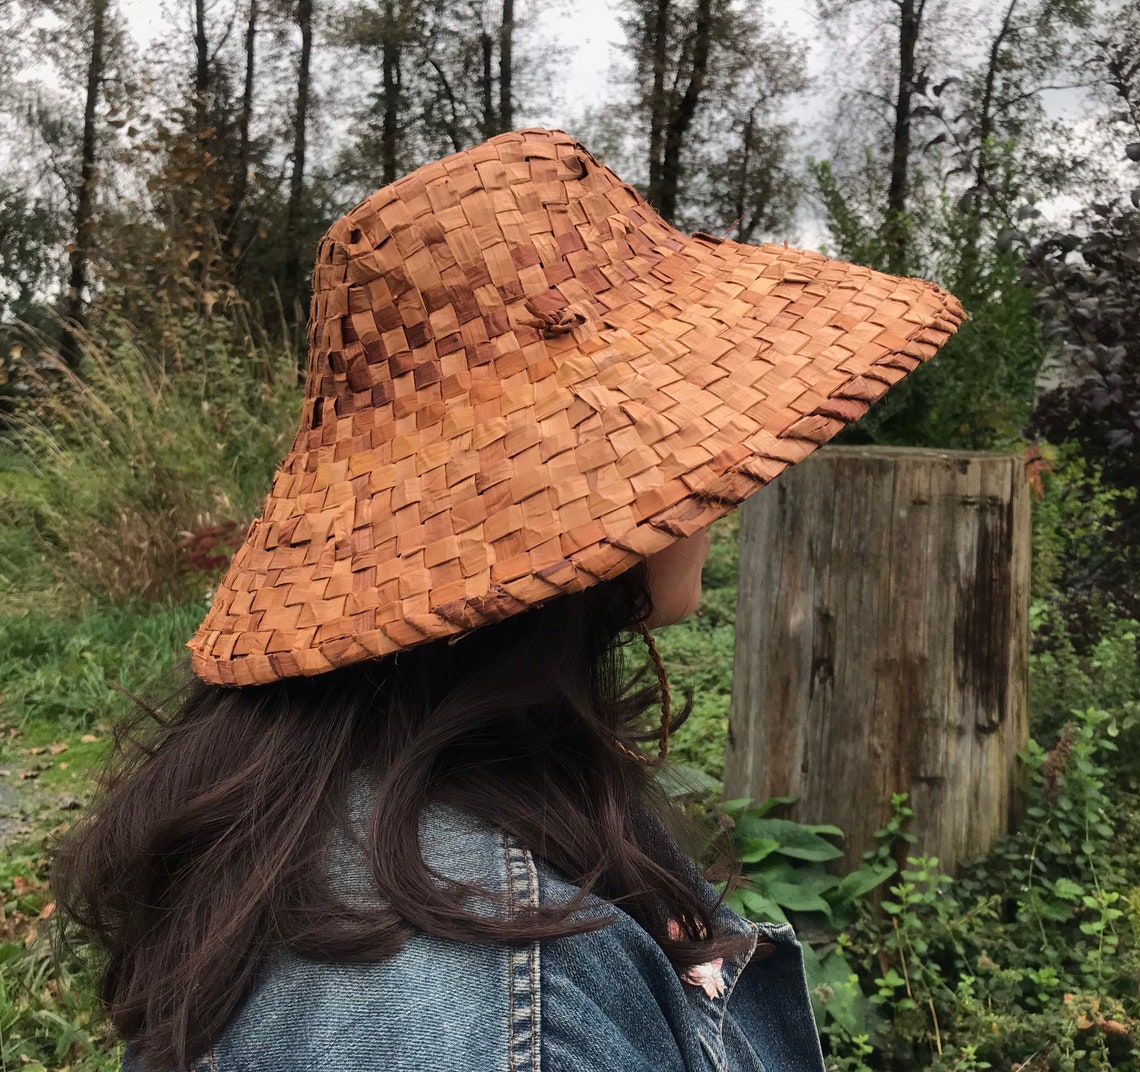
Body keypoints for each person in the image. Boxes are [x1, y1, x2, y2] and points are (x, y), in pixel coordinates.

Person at [53, 128, 964, 1072]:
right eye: (681, 443)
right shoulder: (454, 992)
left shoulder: (361, 786)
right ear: (596, 490)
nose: (731, 491)